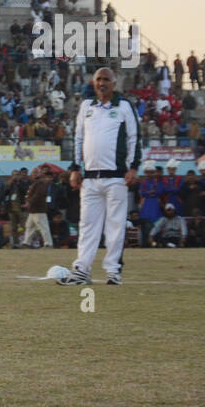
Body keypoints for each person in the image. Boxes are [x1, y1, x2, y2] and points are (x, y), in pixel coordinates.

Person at [60, 67, 141, 285]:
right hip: (90, 178)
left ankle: (113, 271)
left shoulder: (124, 106)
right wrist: (75, 168)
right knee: (87, 225)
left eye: (106, 79)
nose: (102, 83)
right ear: (93, 83)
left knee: (115, 225)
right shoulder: (87, 106)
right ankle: (81, 270)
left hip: (117, 177)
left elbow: (135, 138)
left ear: (114, 83)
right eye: (98, 80)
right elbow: (78, 138)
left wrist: (133, 167)